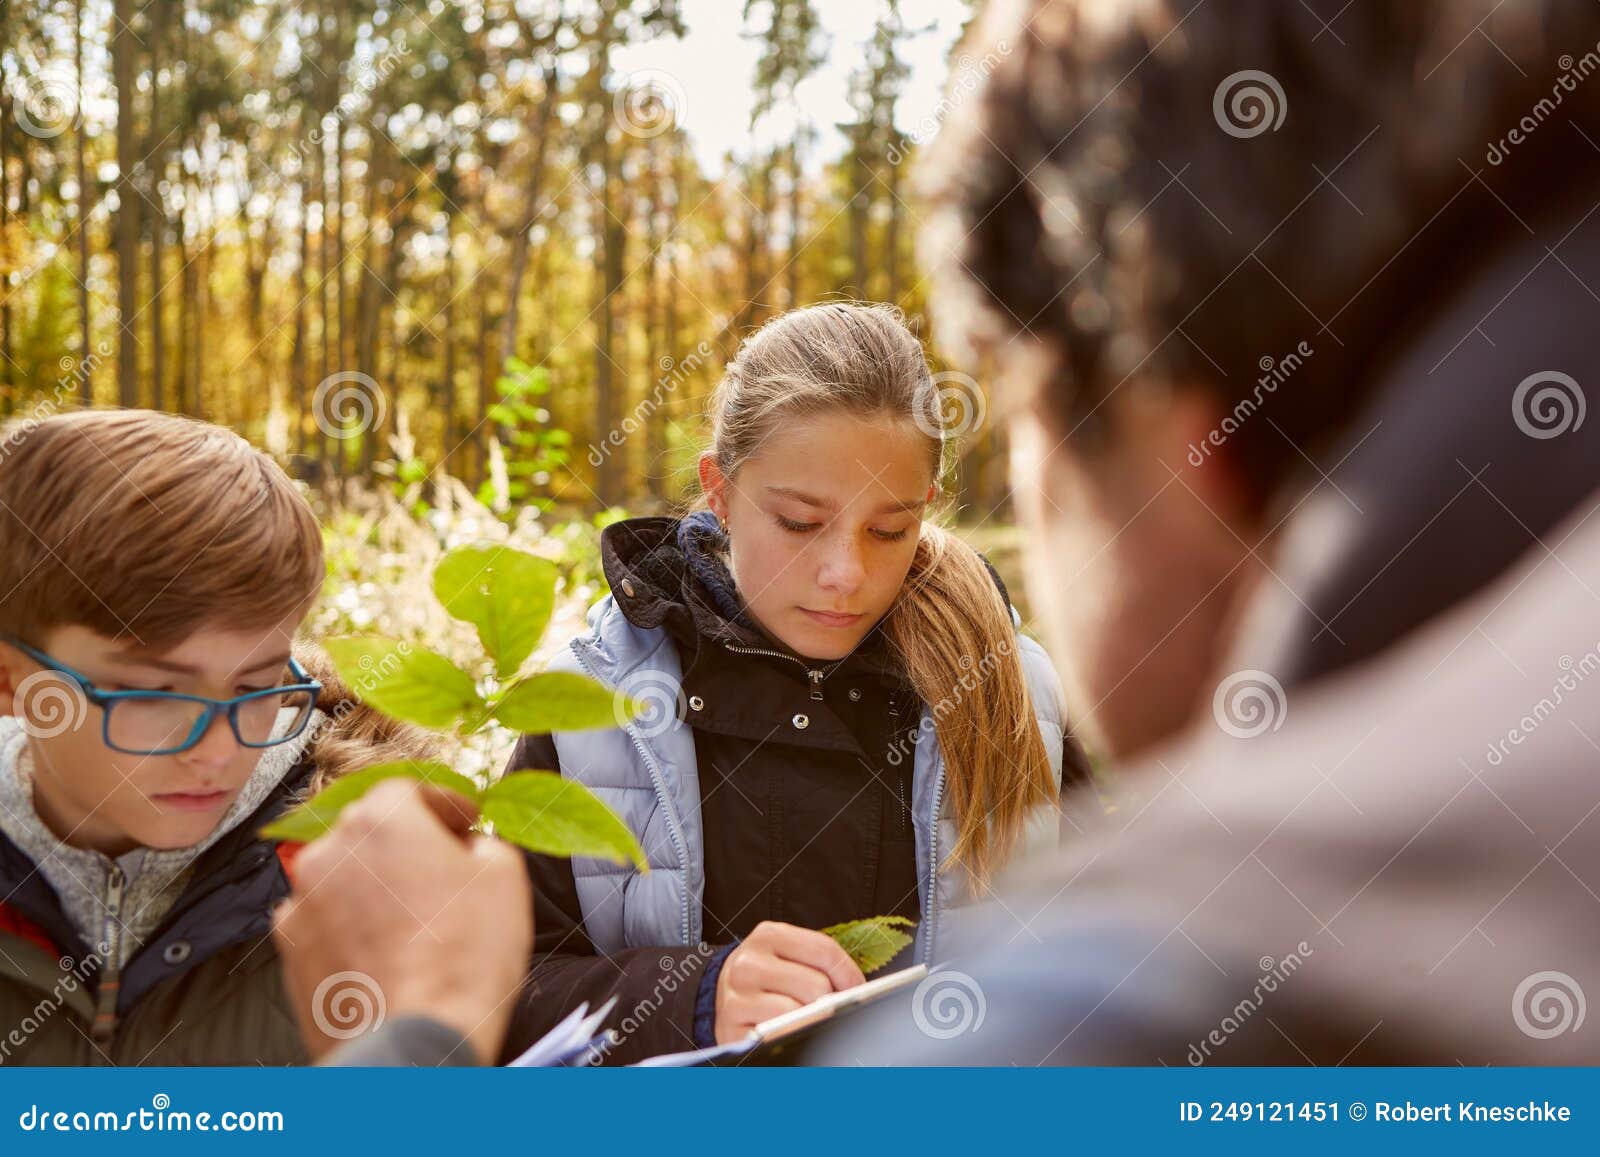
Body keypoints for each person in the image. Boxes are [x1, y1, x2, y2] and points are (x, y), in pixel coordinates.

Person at [496, 301, 1090, 1063]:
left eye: (889, 529)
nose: (847, 574)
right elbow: (494, 997)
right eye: (801, 523)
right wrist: (694, 995)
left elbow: (1100, 970)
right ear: (720, 490)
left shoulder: (1016, 693)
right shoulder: (586, 708)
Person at [0, 409, 462, 1065]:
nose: (217, 752)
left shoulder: (374, 870)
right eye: (156, 695)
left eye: (255, 688)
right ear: (11, 680)